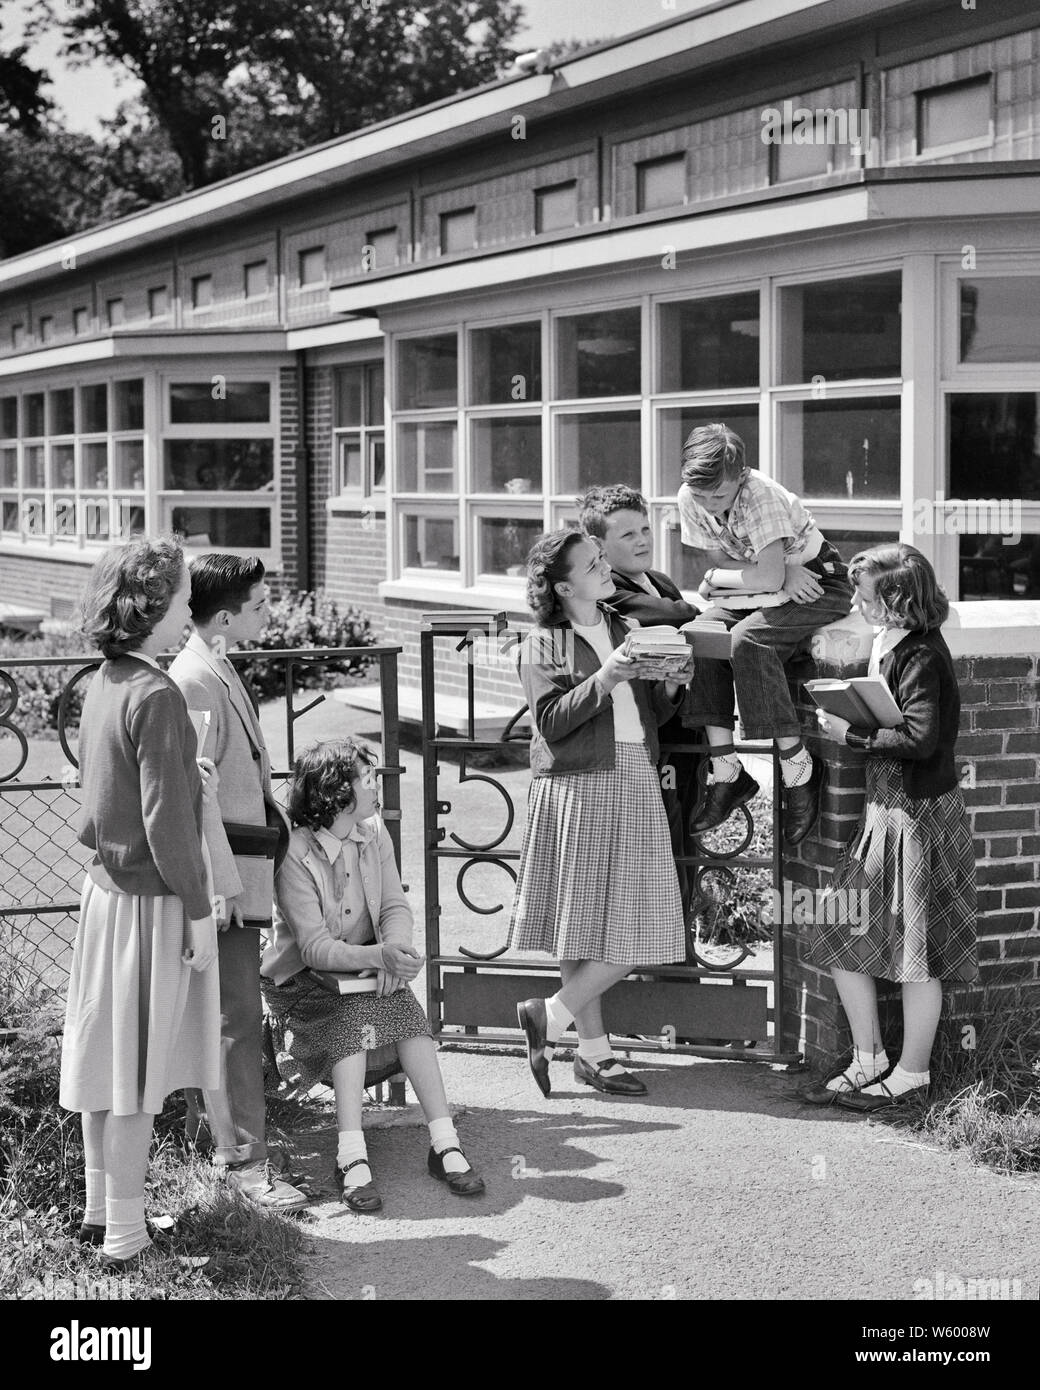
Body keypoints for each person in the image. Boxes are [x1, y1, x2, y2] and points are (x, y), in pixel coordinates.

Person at [59, 537, 220, 1268]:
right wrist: (199, 913)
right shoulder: (157, 694)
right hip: (151, 902)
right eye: (184, 597)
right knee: (134, 1079)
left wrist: (188, 773)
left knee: (105, 1067)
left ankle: (102, 1214)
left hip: (104, 894)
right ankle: (126, 1240)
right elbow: (168, 827)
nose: (190, 609)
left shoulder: (106, 681)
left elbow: (113, 797)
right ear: (153, 608)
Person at [260, 739, 485, 1211]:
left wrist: (394, 953)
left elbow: (395, 906)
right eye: (367, 779)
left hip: (364, 967)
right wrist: (380, 958)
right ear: (336, 793)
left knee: (405, 1008)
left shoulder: (373, 831)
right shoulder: (295, 854)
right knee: (350, 1022)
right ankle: (350, 1156)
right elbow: (314, 948)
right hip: (302, 985)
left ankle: (445, 1143)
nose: (377, 784)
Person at [510, 529, 692, 1098]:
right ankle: (594, 1054)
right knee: (583, 926)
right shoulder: (543, 642)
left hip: (635, 772)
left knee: (647, 921)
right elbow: (553, 721)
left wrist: (669, 685)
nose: (605, 568)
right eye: (591, 565)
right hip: (579, 784)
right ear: (564, 587)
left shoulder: (624, 626)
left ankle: (552, 1015)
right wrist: (608, 675)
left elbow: (649, 715)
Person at [804, 543, 978, 1109]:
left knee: (916, 953)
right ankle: (869, 1059)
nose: (855, 601)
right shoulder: (890, 643)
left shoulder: (923, 654)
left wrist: (849, 735)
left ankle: (912, 1074)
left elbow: (922, 739)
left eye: (865, 594)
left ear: (897, 602)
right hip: (886, 812)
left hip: (921, 816)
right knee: (839, 933)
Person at [169, 553, 308, 1212]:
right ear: (225, 615)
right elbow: (192, 798)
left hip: (242, 874)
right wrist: (218, 884)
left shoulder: (217, 664)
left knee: (232, 1014)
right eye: (258, 604)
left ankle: (217, 1139)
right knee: (234, 1019)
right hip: (225, 885)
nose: (267, 612)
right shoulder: (195, 679)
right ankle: (243, 1162)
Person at [677, 423, 852, 845]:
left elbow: (743, 575)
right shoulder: (691, 495)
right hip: (764, 587)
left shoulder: (760, 495)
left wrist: (754, 576)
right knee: (699, 635)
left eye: (718, 495)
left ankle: (798, 772)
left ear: (741, 475)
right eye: (701, 494)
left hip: (818, 584)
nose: (707, 503)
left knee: (748, 641)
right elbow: (728, 566)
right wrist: (754, 577)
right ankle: (726, 771)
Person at [576, 484, 704, 918]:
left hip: (688, 736)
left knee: (687, 849)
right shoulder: (608, 593)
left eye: (646, 529)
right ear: (598, 545)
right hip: (653, 745)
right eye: (628, 535)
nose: (644, 540)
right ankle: (659, 970)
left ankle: (682, 964)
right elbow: (681, 617)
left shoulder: (661, 581)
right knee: (660, 858)